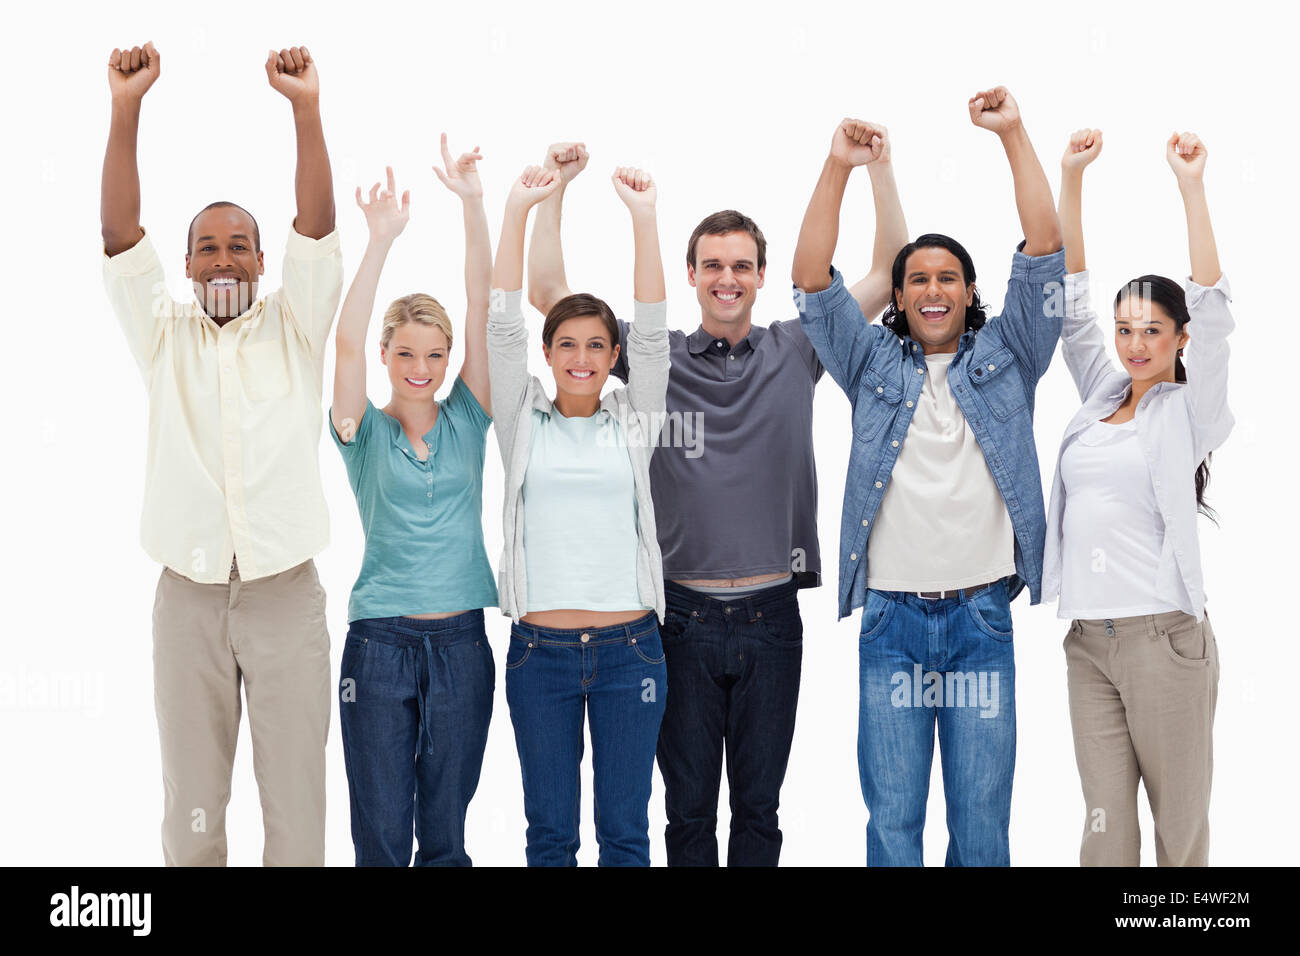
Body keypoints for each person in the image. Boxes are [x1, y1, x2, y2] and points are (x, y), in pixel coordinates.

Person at [526, 141, 906, 866]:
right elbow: (549, 292)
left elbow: (888, 275)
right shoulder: (653, 357)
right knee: (689, 812)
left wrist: (872, 169)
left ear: (761, 276)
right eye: (712, 265)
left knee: (759, 813)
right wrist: (560, 189)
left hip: (771, 617)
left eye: (740, 265)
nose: (726, 278)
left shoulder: (800, 348)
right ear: (692, 276)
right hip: (678, 619)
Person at [792, 89, 1065, 867]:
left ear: (971, 292)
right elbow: (813, 280)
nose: (934, 290)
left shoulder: (1011, 354)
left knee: (981, 831)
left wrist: (1013, 131)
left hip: (981, 620)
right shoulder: (870, 361)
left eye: (949, 278)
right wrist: (840, 165)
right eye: (917, 280)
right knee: (893, 827)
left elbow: (1045, 249)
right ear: (901, 298)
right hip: (890, 624)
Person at [100, 43, 341, 865]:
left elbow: (318, 222)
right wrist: (126, 108)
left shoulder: (295, 325)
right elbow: (117, 234)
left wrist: (304, 109)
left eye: (241, 245)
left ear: (264, 264)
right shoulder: (164, 336)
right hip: (189, 599)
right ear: (189, 265)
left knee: (297, 809)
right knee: (193, 811)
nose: (225, 258)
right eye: (208, 247)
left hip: (285, 596)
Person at [1048, 128, 1232, 866]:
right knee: (1104, 835)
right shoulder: (1100, 397)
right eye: (1125, 330)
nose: (1133, 344)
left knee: (1177, 837)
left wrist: (1191, 187)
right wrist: (1072, 178)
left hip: (1164, 640)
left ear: (1179, 338)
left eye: (1151, 331)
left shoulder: (1192, 412)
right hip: (1090, 644)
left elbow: (1216, 313)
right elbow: (1070, 308)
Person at [487, 162, 670, 866]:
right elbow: (501, 323)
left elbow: (653, 333)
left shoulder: (634, 420)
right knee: (551, 836)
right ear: (548, 353)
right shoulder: (520, 422)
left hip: (631, 652)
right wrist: (517, 208)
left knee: (625, 835)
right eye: (568, 343)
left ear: (614, 356)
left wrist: (644, 217)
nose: (582, 357)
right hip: (541, 655)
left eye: (597, 345)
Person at [329, 141, 498, 866]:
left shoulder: (468, 417)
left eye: (434, 355)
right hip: (379, 646)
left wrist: (471, 202)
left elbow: (485, 302)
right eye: (405, 354)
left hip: (462, 642)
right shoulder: (361, 432)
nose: (422, 369)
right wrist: (379, 242)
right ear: (387, 357)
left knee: (447, 838)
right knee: (381, 836)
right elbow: (342, 343)